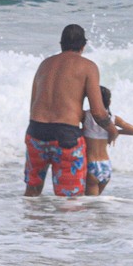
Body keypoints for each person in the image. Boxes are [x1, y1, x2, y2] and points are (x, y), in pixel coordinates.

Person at [24, 24, 116, 197]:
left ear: (61, 44)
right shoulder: (88, 66)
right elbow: (98, 112)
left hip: (36, 131)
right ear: (83, 46)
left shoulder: (45, 64)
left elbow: (33, 104)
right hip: (66, 136)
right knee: (69, 199)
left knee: (32, 192)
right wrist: (112, 130)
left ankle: (28, 216)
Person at [84, 85, 133, 195]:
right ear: (109, 101)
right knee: (96, 203)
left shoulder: (85, 116)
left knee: (90, 203)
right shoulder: (113, 119)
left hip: (91, 164)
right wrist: (115, 131)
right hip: (106, 166)